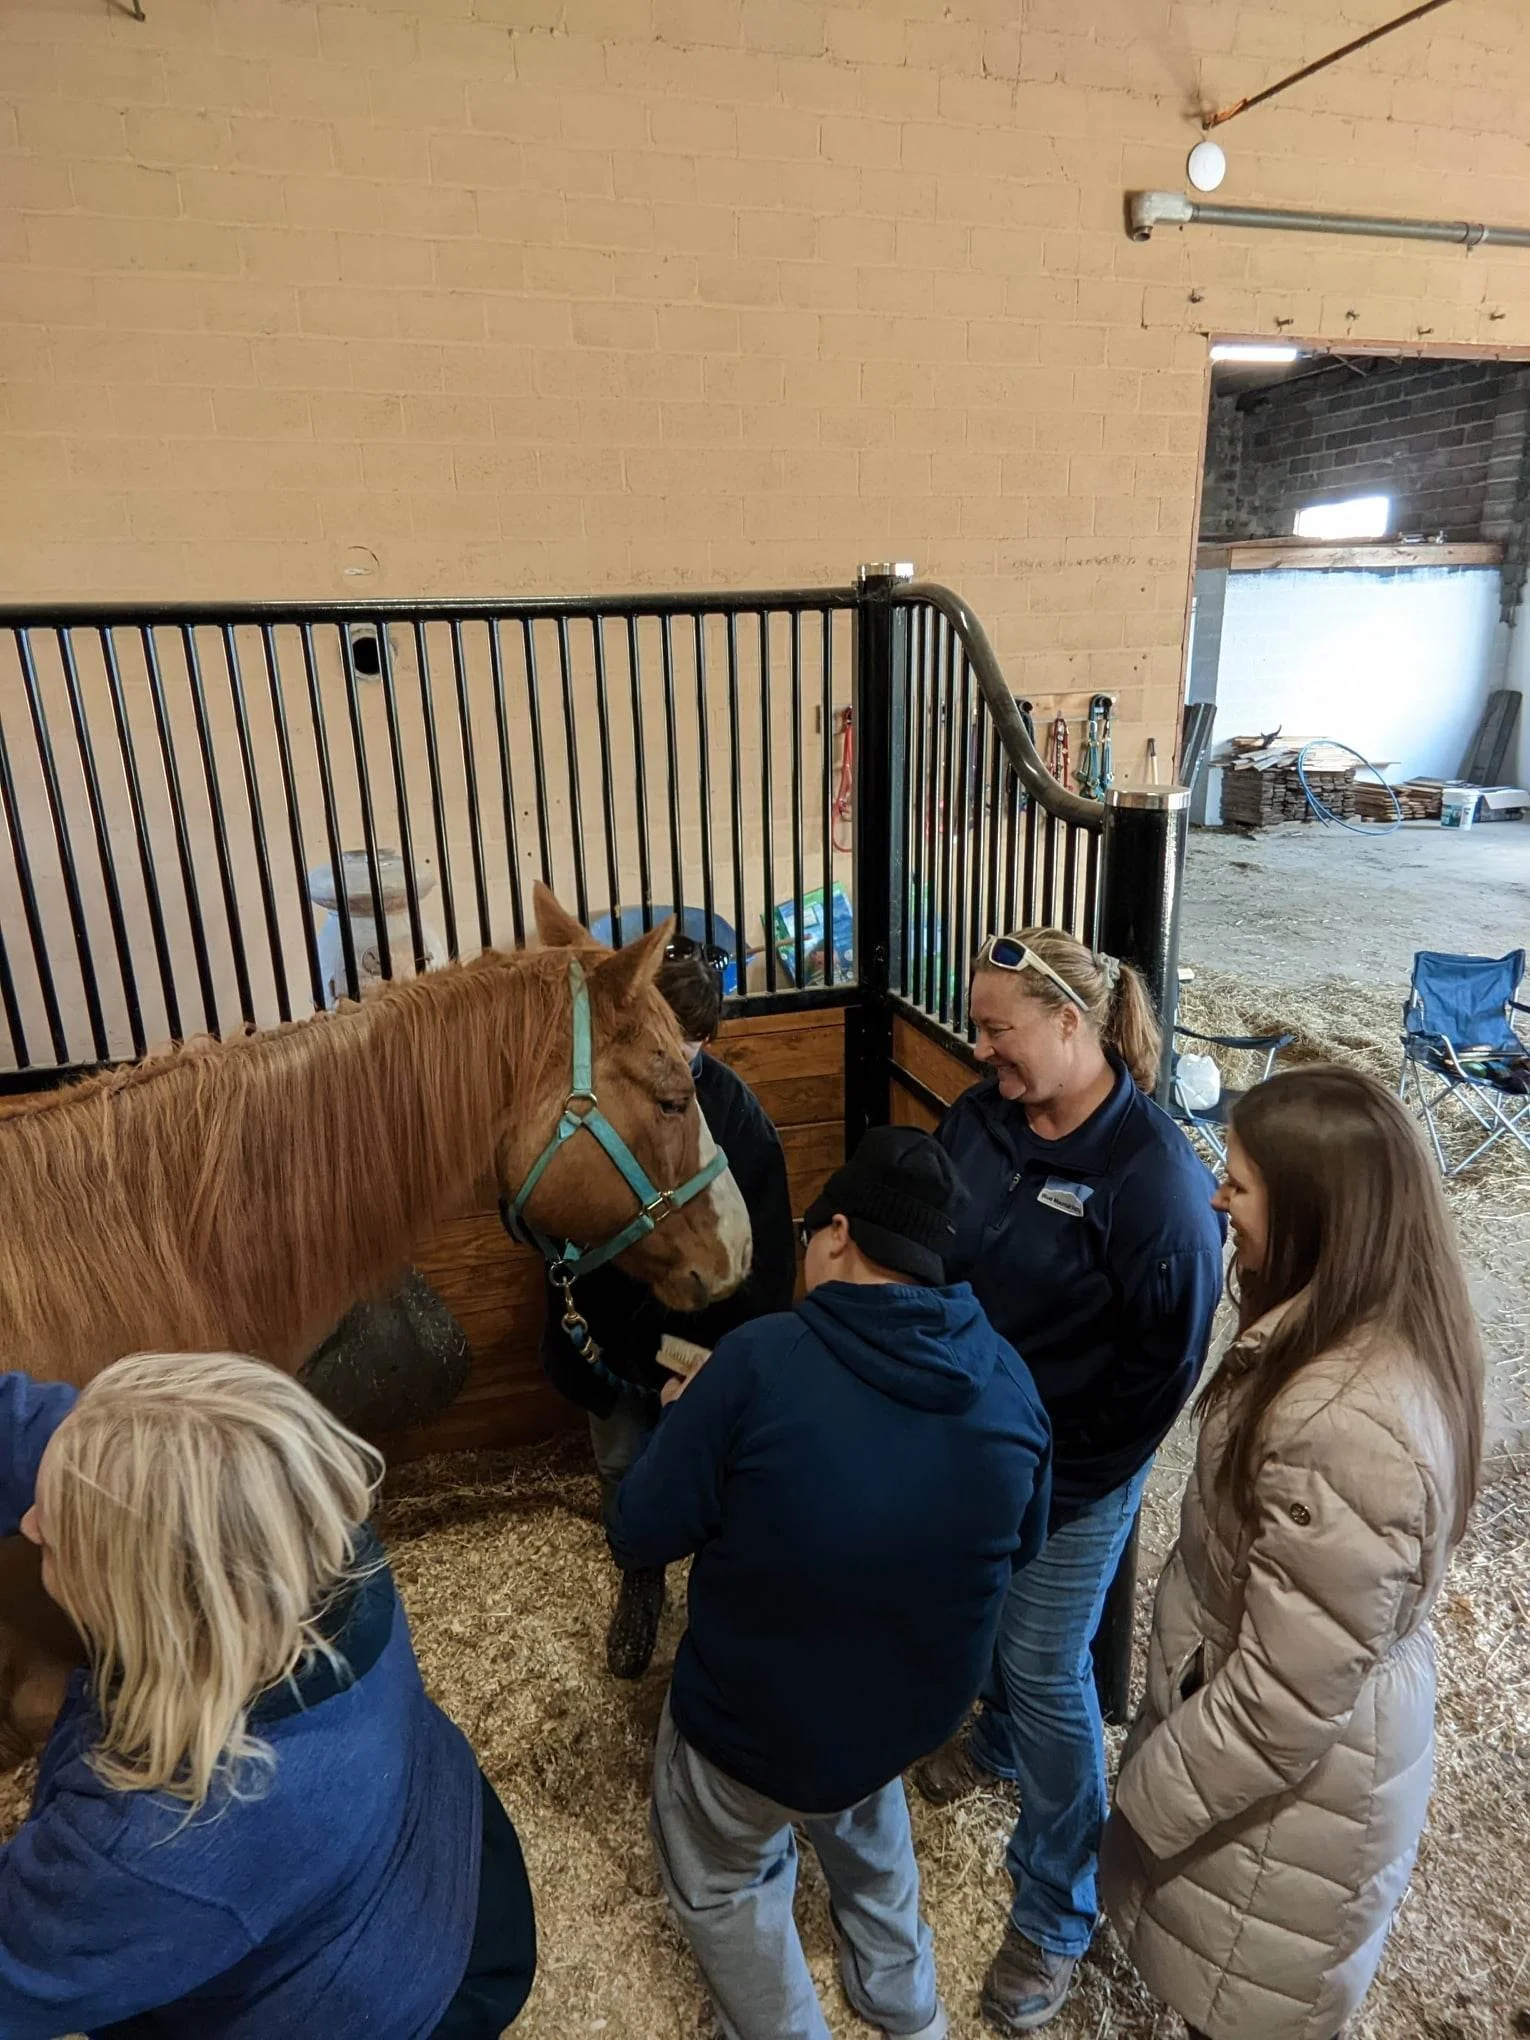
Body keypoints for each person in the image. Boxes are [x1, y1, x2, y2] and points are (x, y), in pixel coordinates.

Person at [610, 1127, 1052, 2040]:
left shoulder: (760, 1362)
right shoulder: (1011, 1384)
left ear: (838, 1233)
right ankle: (906, 2006)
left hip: (757, 1729)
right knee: (861, 1792)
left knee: (722, 1873)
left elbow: (639, 1529)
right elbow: (1022, 1544)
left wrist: (681, 1429)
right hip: (908, 1717)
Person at [1101, 1065, 1484, 2040]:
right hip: (1282, 1798)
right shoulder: (1350, 1332)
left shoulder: (1344, 1424)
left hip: (1287, 1820)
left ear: (1316, 1212)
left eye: (1238, 1181)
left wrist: (1141, 1800)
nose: (1216, 1198)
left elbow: (1279, 1707)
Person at [0, 1351, 536, 2038]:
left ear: (145, 1596)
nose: (33, 1524)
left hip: (375, 2003)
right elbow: (86, 1451)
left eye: (58, 1536)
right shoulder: (299, 1536)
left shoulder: (158, 1841)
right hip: (449, 1855)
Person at [917, 928, 1224, 2033]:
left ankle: (1058, 1907)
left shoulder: (1157, 1187)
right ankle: (992, 1738)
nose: (982, 1050)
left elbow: (1162, 1376)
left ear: (1071, 1023)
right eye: (977, 1027)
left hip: (1074, 1474)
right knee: (990, 1620)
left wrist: (1052, 1480)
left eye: (999, 1031)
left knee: (1050, 1672)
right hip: (975, 1442)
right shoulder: (988, 1114)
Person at [539, 936, 795, 1678]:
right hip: (614, 1337)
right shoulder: (601, 1094)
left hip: (702, 1343)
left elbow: (766, 1255)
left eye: (680, 1044)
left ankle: (721, 1600)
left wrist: (731, 1359)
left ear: (705, 1041)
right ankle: (639, 1579)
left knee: (715, 1476)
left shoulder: (739, 1123)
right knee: (621, 1461)